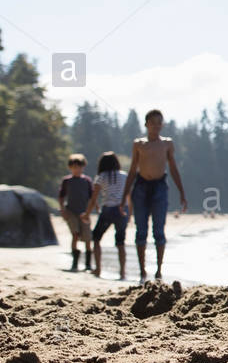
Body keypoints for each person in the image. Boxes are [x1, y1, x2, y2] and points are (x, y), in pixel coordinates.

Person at [122, 109, 188, 283]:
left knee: (159, 230)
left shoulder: (167, 144)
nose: (156, 126)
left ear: (162, 124)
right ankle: (142, 270)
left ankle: (159, 270)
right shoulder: (139, 144)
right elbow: (132, 170)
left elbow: (173, 168)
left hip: (160, 187)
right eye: (153, 122)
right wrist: (124, 195)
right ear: (146, 124)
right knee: (140, 230)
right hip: (141, 186)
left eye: (159, 122)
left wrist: (182, 192)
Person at [86, 151, 129, 280]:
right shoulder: (124, 176)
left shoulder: (101, 177)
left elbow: (94, 198)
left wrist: (87, 214)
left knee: (97, 238)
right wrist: (130, 214)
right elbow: (129, 196)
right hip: (122, 210)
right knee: (120, 242)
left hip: (108, 209)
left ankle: (98, 269)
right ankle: (122, 273)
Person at [57, 153, 93, 272]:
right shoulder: (67, 181)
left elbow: (92, 197)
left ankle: (88, 264)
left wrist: (92, 210)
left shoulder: (87, 181)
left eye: (79, 167)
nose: (77, 169)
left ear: (83, 167)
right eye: (74, 167)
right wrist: (62, 210)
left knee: (87, 238)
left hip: (84, 212)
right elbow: (61, 196)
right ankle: (75, 263)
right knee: (75, 235)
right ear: (70, 167)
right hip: (71, 211)